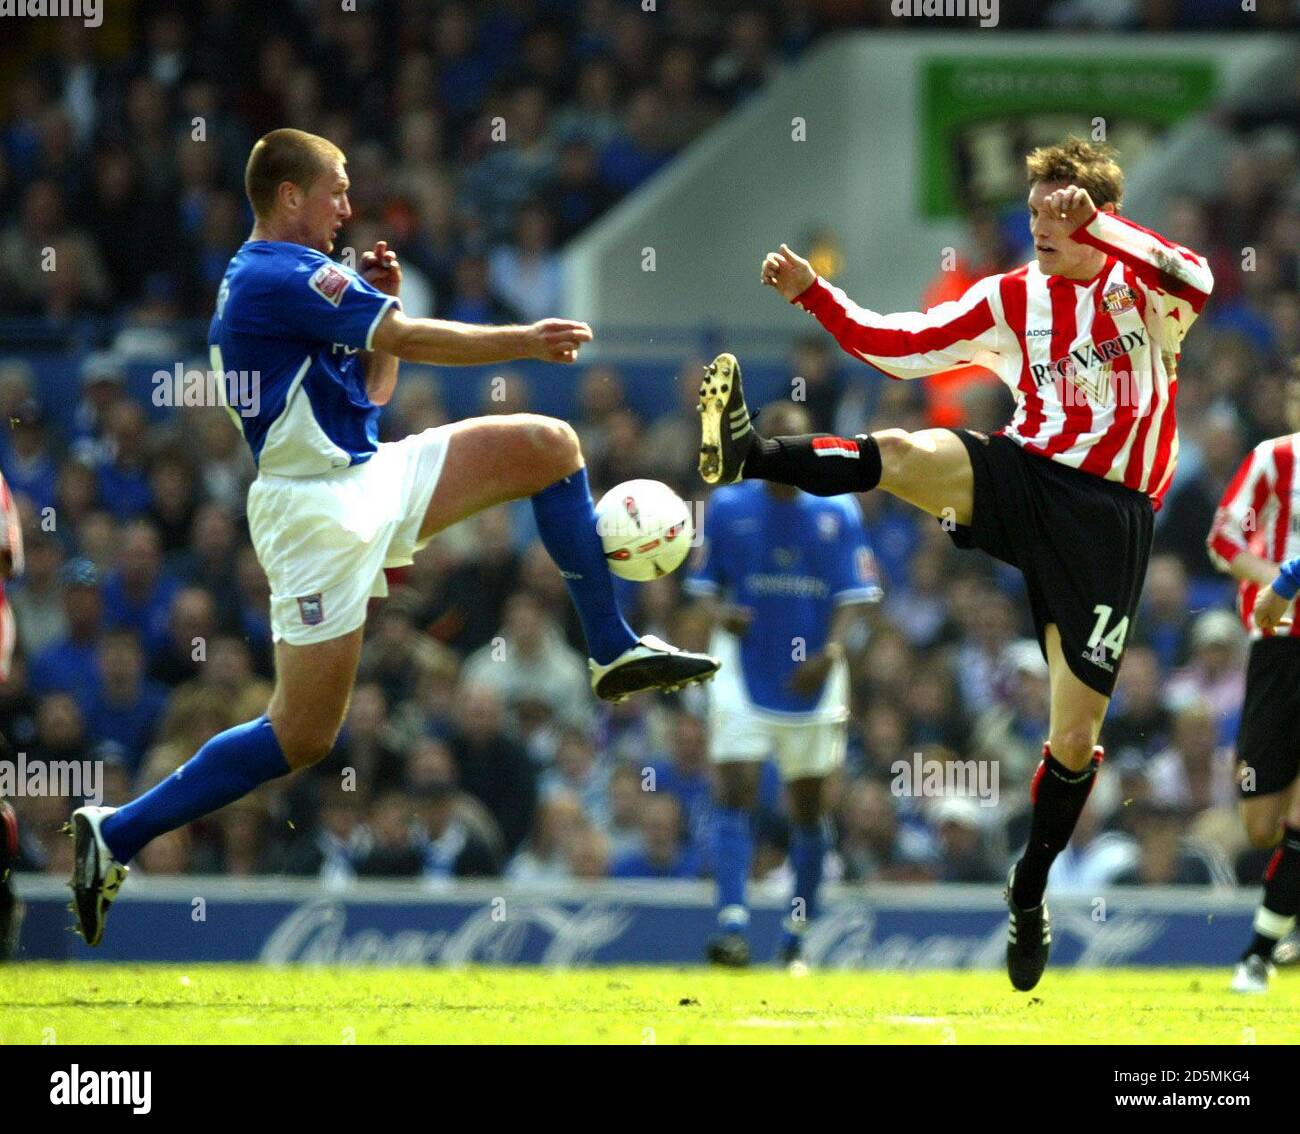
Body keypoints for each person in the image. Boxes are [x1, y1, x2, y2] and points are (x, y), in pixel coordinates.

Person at [67, 127, 718, 947]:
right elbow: (406, 343)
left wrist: (384, 310)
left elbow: (373, 390)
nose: (347, 204)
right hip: (313, 514)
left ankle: (612, 647)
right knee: (303, 736)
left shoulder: (306, 279)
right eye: (335, 188)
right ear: (290, 196)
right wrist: (523, 340)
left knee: (550, 447)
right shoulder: (274, 272)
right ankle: (116, 832)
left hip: (366, 472)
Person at [698, 137, 1213, 991]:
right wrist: (816, 295)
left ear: (1097, 215)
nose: (1038, 223)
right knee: (900, 449)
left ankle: (1029, 887)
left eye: (1058, 209)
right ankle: (750, 453)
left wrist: (1110, 233)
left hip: (1111, 521)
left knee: (1077, 740)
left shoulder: (1145, 292)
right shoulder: (1015, 296)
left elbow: (1200, 278)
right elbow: (902, 344)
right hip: (1027, 475)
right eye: (1035, 206)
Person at [685, 401, 879, 969]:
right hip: (743, 666)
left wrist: (832, 652)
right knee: (737, 785)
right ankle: (732, 924)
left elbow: (855, 597)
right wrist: (722, 614)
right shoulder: (726, 507)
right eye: (775, 445)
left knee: (808, 807)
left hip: (814, 673)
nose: (786, 455)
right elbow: (704, 588)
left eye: (797, 445)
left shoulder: (838, 511)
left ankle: (798, 933)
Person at [1206, 367, 1300, 993]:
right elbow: (1221, 541)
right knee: (1261, 824)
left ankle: (1258, 955)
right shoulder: (1276, 459)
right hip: (1277, 648)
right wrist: (1279, 583)